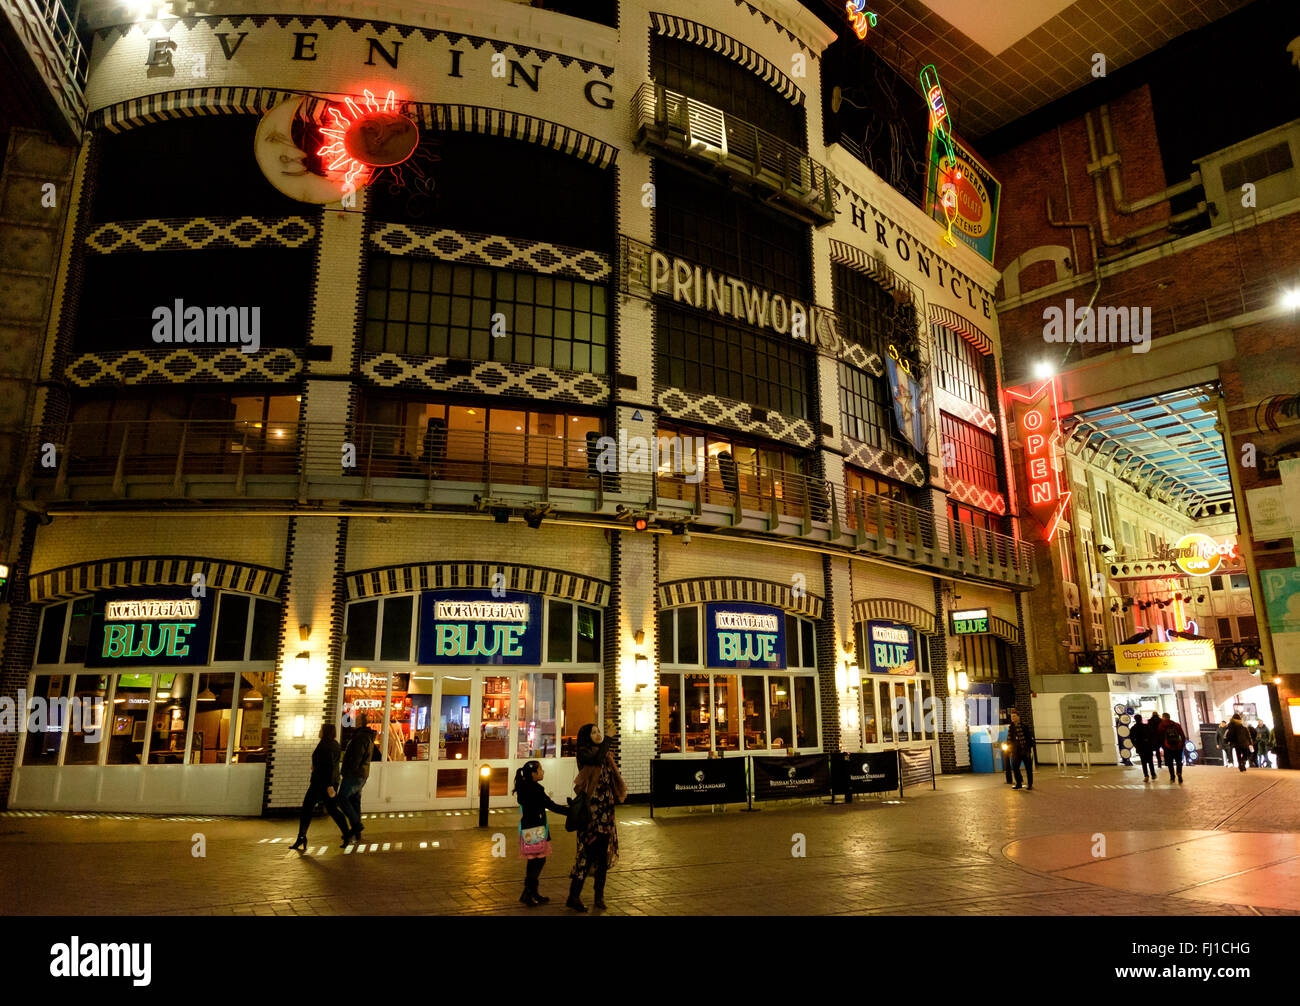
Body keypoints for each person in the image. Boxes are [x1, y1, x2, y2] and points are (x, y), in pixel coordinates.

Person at [567, 723, 628, 912]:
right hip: (591, 814)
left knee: (602, 857)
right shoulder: (585, 754)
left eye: (599, 731)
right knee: (586, 854)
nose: (598, 734)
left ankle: (598, 896)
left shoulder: (605, 755)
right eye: (594, 732)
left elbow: (609, 775)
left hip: (606, 812)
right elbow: (597, 758)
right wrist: (609, 738)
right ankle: (573, 896)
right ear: (586, 736)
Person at [513, 760, 568, 906]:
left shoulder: (524, 787)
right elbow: (552, 806)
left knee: (533, 861)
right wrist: (571, 812)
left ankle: (530, 892)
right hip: (535, 828)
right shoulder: (535, 789)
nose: (543, 772)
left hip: (529, 827)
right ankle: (529, 893)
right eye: (540, 769)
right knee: (538, 861)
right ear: (533, 773)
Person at [290, 724, 350, 851]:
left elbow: (328, 766)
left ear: (325, 732)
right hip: (328, 782)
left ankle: (302, 837)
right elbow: (330, 765)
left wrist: (329, 785)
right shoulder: (334, 744)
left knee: (307, 808)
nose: (319, 731)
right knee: (332, 809)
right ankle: (346, 833)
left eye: (321, 729)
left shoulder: (325, 745)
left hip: (320, 784)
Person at [339, 715, 377, 844]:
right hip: (361, 774)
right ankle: (357, 832)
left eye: (356, 720)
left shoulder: (360, 737)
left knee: (342, 798)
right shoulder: (366, 736)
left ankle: (356, 825)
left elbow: (356, 757)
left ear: (361, 722)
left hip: (354, 775)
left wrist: (348, 771)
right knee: (355, 801)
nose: (353, 722)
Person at [1006, 708, 1034, 791]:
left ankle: (1030, 784)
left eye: (1014, 716)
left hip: (1025, 750)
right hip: (1016, 751)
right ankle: (1019, 783)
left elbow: (1029, 739)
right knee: (1015, 767)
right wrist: (1010, 749)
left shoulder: (1024, 727)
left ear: (1018, 717)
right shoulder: (1011, 727)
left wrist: (1028, 748)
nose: (1012, 718)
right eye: (1011, 717)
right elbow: (1009, 739)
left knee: (1028, 768)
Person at [1161, 712, 1185, 783]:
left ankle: (1172, 777)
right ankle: (1179, 774)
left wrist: (1163, 746)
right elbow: (1182, 735)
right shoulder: (1176, 725)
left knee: (1170, 763)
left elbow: (1160, 737)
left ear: (1163, 717)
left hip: (1168, 747)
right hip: (1178, 747)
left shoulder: (1162, 725)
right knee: (1178, 762)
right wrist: (1182, 744)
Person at [1132, 713, 1156, 782]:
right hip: (1148, 747)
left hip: (1140, 748)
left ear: (1135, 720)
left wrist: (1136, 745)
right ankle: (1153, 774)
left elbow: (1132, 738)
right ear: (1141, 719)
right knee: (1150, 761)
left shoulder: (1134, 728)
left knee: (1143, 762)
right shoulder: (1146, 726)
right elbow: (1152, 735)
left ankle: (1146, 776)